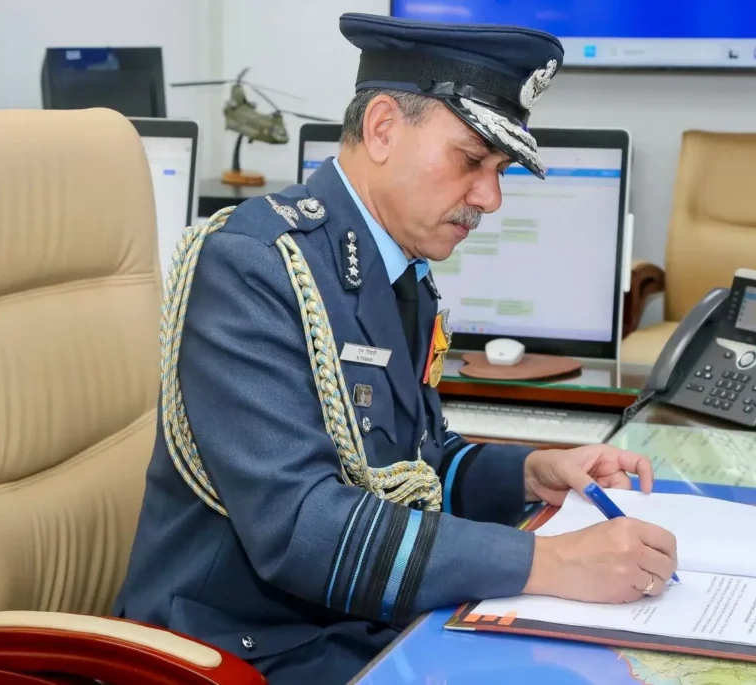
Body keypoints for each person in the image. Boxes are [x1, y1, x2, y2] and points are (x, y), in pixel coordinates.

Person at [113, 11, 678, 685]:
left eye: (499, 169)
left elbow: (413, 467)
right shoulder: (252, 265)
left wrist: (534, 471)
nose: (490, 198)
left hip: (347, 623)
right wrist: (554, 562)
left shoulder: (397, 269)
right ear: (383, 127)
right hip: (239, 650)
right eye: (472, 160)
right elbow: (305, 530)